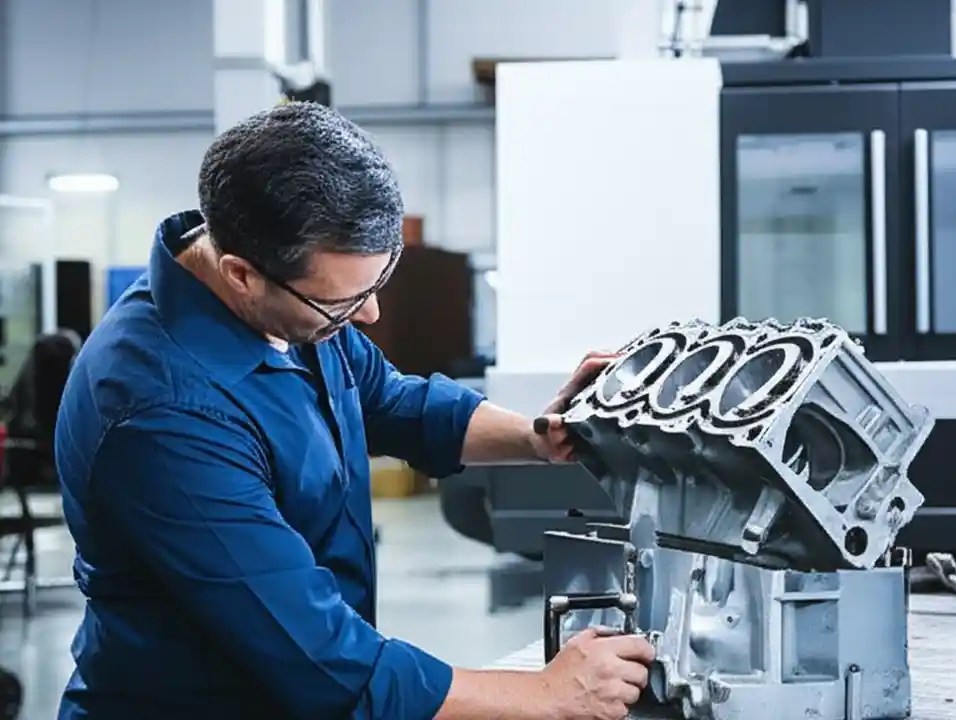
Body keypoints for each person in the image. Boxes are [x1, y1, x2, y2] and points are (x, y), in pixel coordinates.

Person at [54, 101, 653, 720]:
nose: (368, 316)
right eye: (345, 302)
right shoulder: (160, 416)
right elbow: (320, 659)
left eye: (378, 282)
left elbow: (392, 402)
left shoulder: (288, 306)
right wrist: (548, 696)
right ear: (241, 275)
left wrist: (538, 435)